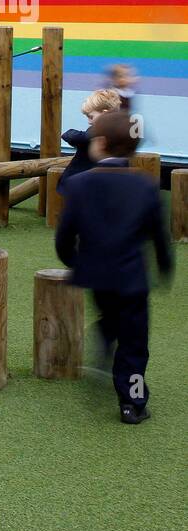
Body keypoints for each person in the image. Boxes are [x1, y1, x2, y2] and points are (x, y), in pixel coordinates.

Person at [54, 111, 172, 424]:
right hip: (132, 278)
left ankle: (105, 340)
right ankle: (132, 403)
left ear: (101, 144)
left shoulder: (78, 184)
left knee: (110, 316)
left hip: (96, 276)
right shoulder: (145, 186)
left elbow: (65, 237)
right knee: (134, 341)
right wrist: (163, 268)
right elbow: (159, 235)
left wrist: (76, 264)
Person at [58, 88, 122, 189]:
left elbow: (75, 137)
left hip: (80, 184)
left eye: (91, 117)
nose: (89, 121)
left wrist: (67, 134)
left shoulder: (98, 132)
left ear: (105, 114)